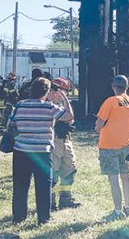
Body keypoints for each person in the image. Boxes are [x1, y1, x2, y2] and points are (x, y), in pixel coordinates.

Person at [9, 77, 73, 225]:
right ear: (46, 92)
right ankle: (43, 218)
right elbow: (69, 116)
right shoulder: (49, 107)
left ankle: (18, 217)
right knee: (43, 186)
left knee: (20, 186)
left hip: (21, 151)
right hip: (42, 152)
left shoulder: (19, 105)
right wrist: (63, 96)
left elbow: (10, 124)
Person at [95, 75, 129, 221]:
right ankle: (128, 206)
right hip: (125, 145)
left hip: (108, 145)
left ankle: (118, 212)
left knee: (114, 179)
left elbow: (99, 124)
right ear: (127, 86)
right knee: (126, 176)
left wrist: (98, 128)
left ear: (113, 86)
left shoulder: (111, 101)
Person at [47, 77, 82, 210]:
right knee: (53, 172)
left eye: (65, 92)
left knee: (70, 169)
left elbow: (70, 120)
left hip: (65, 139)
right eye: (62, 91)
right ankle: (50, 201)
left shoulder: (62, 105)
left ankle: (66, 199)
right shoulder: (47, 104)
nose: (63, 94)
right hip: (54, 140)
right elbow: (68, 117)